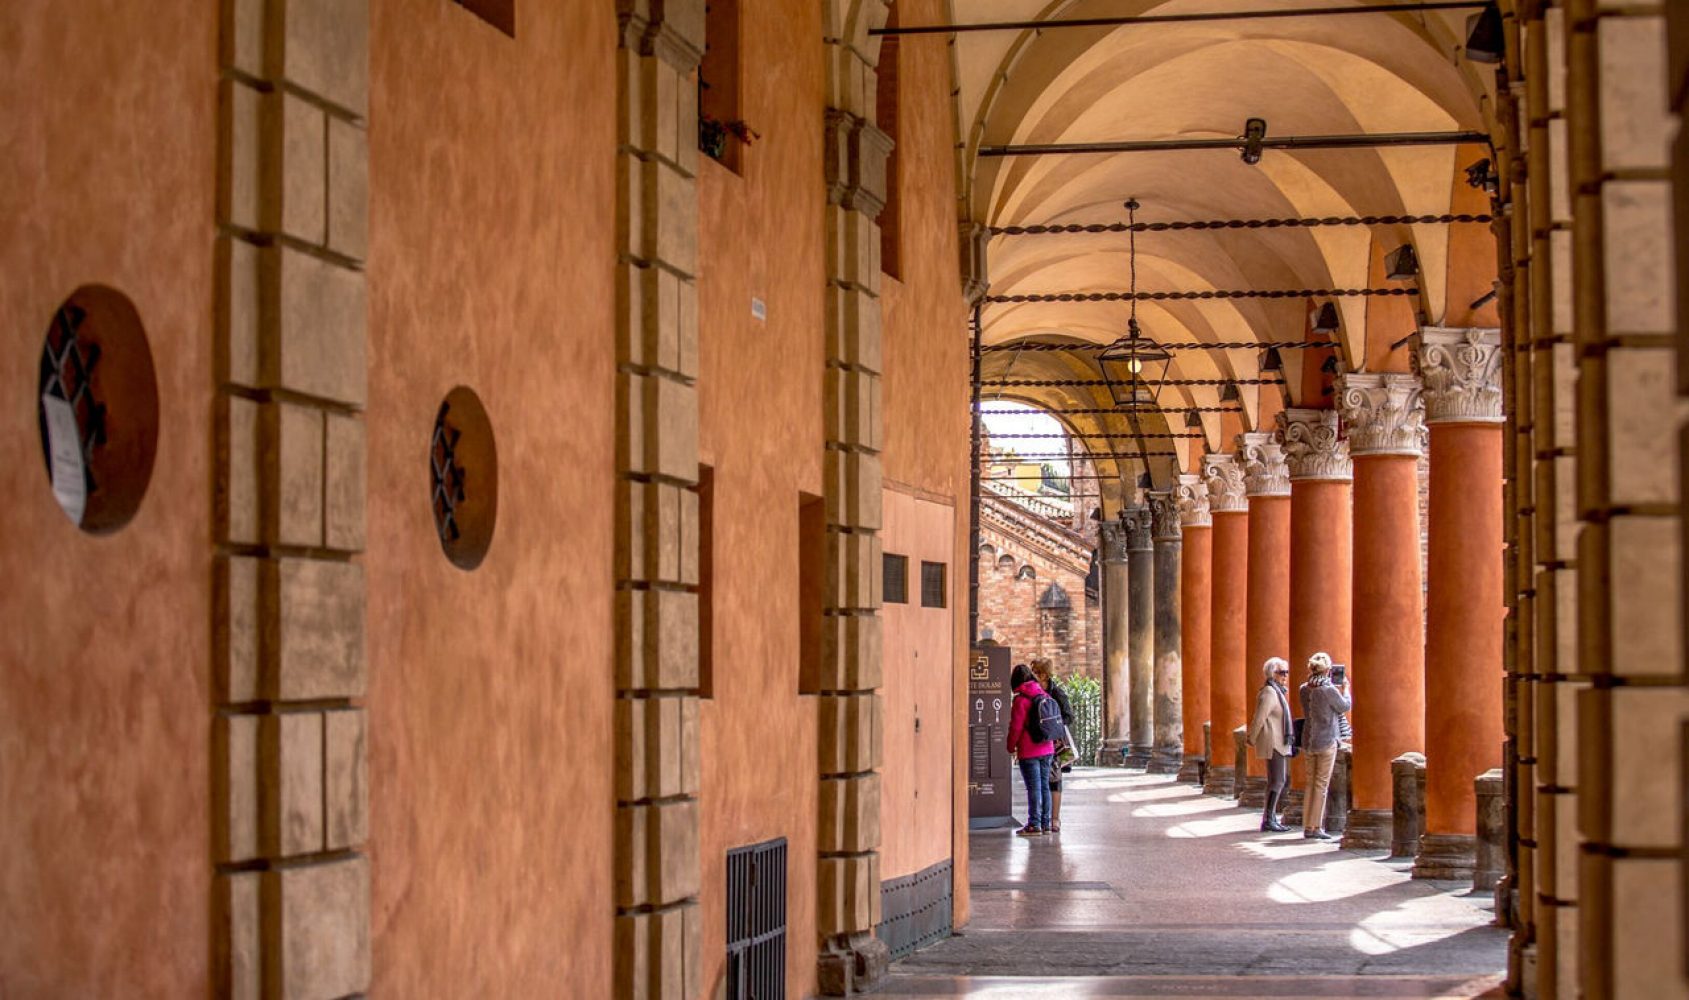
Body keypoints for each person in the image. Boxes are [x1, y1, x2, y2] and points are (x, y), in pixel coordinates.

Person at [1298, 652, 1353, 840]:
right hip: (1327, 740)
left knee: (1310, 783)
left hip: (1309, 740)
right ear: (1328, 670)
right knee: (1321, 784)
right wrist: (1345, 689)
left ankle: (1307, 824)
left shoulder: (1304, 689)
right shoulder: (1328, 690)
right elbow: (1344, 706)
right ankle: (1315, 826)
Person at [1006, 662, 1057, 837]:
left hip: (1029, 750)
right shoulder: (1041, 693)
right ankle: (1046, 823)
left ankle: (1034, 824)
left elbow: (1016, 727)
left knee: (1034, 787)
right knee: (1044, 786)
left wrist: (1010, 746)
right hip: (1047, 748)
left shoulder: (1021, 699)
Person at [1247, 657, 1293, 833]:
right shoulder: (1270, 692)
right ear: (1271, 674)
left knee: (1276, 780)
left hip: (1279, 742)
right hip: (1273, 742)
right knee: (1277, 780)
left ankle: (1270, 818)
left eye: (1286, 672)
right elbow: (1260, 716)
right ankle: (1268, 819)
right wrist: (1251, 737)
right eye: (1282, 673)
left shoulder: (1278, 692)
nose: (1285, 676)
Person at [1031, 658, 1073, 832]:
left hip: (1054, 744)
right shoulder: (1033, 693)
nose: (1032, 675)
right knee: (1039, 781)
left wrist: (1053, 725)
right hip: (1037, 742)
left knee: (1054, 781)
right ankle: (1043, 818)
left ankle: (1055, 819)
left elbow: (1069, 716)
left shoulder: (1057, 693)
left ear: (1044, 674)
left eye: (1035, 672)